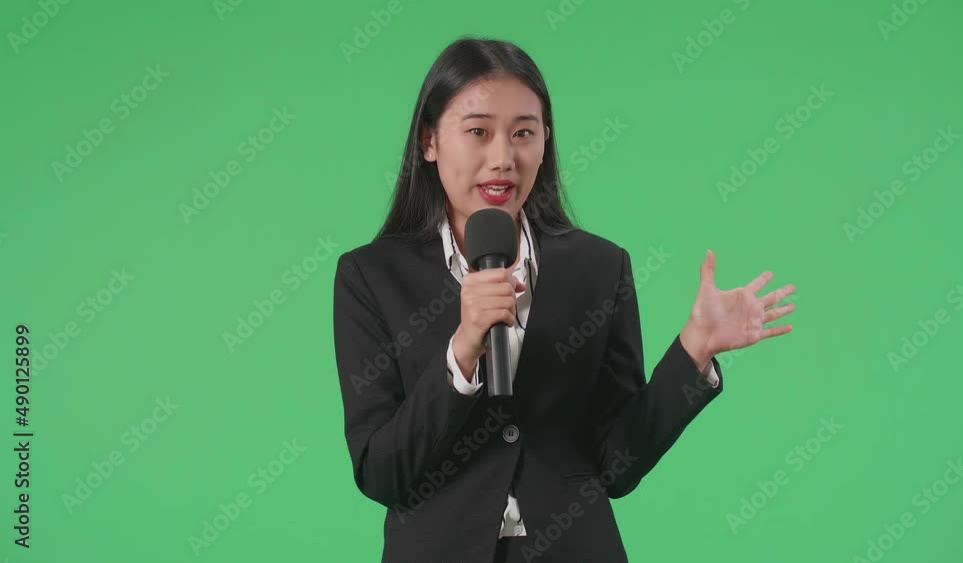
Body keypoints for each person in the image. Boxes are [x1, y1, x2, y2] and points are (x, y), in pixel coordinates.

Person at [333, 37, 796, 563]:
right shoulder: (370, 277)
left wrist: (693, 349)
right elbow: (381, 473)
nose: (503, 158)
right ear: (430, 140)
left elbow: (619, 465)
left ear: (545, 141)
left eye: (524, 133)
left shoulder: (599, 267)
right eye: (479, 132)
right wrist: (462, 353)